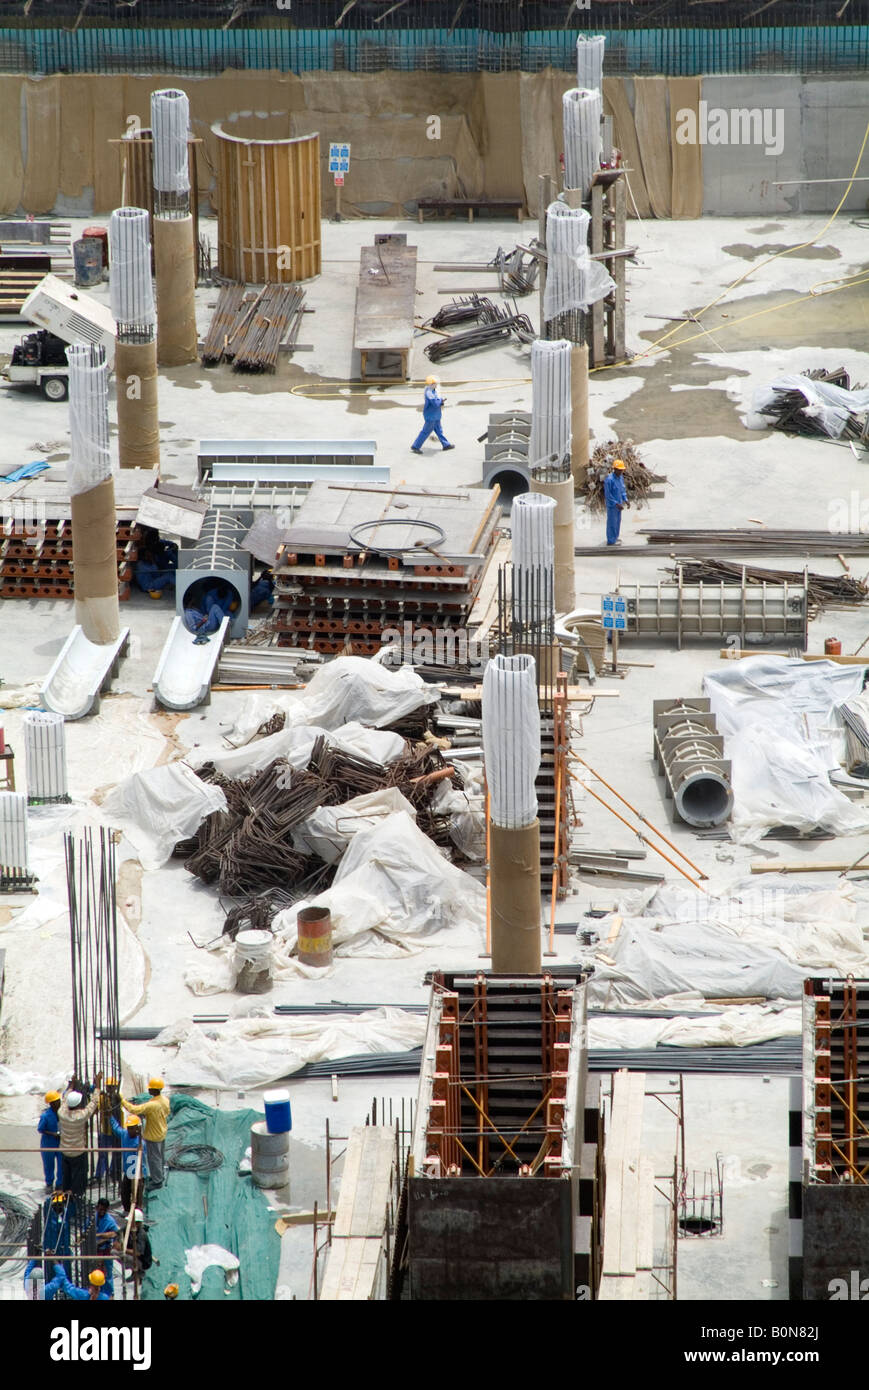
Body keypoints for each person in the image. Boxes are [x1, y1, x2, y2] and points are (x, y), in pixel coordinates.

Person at [121, 1078, 169, 1191]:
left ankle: (157, 1181)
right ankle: (159, 1176)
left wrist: (122, 1100)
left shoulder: (152, 1105)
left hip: (153, 1136)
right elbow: (166, 1112)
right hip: (161, 1132)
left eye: (150, 1088)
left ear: (153, 1089)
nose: (148, 1090)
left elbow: (134, 1109)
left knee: (154, 1159)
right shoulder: (165, 1100)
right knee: (160, 1157)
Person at [58, 1078, 102, 1198]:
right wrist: (97, 1086)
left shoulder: (61, 1113)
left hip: (65, 1152)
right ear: (78, 1103)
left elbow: (63, 1100)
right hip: (78, 1153)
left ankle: (66, 1196)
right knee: (79, 1179)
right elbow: (93, 1104)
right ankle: (76, 1197)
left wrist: (71, 1086)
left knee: (66, 1177)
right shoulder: (81, 1116)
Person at [110, 1112, 149, 1213]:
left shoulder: (140, 1143)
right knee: (125, 1193)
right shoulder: (124, 1134)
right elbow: (116, 1128)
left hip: (138, 1174)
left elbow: (141, 1161)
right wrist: (110, 1116)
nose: (130, 1130)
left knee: (136, 1196)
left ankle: (137, 1214)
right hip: (128, 1172)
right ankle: (127, 1211)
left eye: (132, 1128)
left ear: (137, 1128)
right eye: (129, 1128)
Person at [411, 376, 454, 455]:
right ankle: (415, 446)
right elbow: (435, 404)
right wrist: (441, 401)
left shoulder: (432, 390)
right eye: (434, 383)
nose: (436, 385)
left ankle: (446, 445)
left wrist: (440, 401)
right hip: (431, 416)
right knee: (426, 431)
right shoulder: (429, 393)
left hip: (435, 415)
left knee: (439, 430)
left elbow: (436, 401)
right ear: (431, 384)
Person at [133, 526, 178, 598]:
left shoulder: (159, 543)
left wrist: (171, 548)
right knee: (168, 576)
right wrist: (153, 561)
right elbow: (156, 574)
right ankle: (182, 586)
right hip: (148, 587)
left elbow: (171, 544)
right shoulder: (142, 565)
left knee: (171, 566)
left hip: (155, 575)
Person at [94, 1079, 121, 1185]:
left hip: (116, 1131)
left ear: (115, 1087)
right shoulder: (102, 1098)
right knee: (103, 1154)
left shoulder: (119, 1097)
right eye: (107, 1086)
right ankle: (99, 1175)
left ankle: (113, 1173)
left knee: (116, 1154)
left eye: (111, 1086)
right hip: (105, 1130)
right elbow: (98, 1107)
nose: (109, 1089)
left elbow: (125, 1104)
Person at [93, 1197, 120, 1297]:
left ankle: (109, 1293)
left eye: (104, 1210)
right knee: (96, 1271)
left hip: (105, 1249)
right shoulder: (93, 1218)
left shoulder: (109, 1220)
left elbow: (115, 1233)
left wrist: (100, 1236)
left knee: (107, 1272)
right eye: (100, 1209)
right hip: (95, 1250)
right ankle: (98, 1291)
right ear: (97, 1208)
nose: (102, 1212)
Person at [37, 1091, 62, 1190]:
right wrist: (53, 1134)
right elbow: (40, 1129)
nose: (59, 1103)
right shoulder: (45, 1116)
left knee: (61, 1164)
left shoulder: (61, 1113)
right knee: (49, 1165)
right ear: (51, 1103)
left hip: (60, 1143)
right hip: (48, 1143)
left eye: (59, 1100)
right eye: (56, 1101)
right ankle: (49, 1183)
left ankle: (60, 1183)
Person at [603, 457, 629, 547]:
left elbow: (622, 490)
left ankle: (615, 537)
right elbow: (608, 495)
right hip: (612, 506)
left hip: (619, 504)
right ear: (615, 469)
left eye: (622, 470)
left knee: (617, 521)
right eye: (619, 470)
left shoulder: (620, 478)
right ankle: (610, 541)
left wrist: (625, 500)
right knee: (612, 522)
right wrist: (616, 504)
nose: (621, 472)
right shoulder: (609, 480)